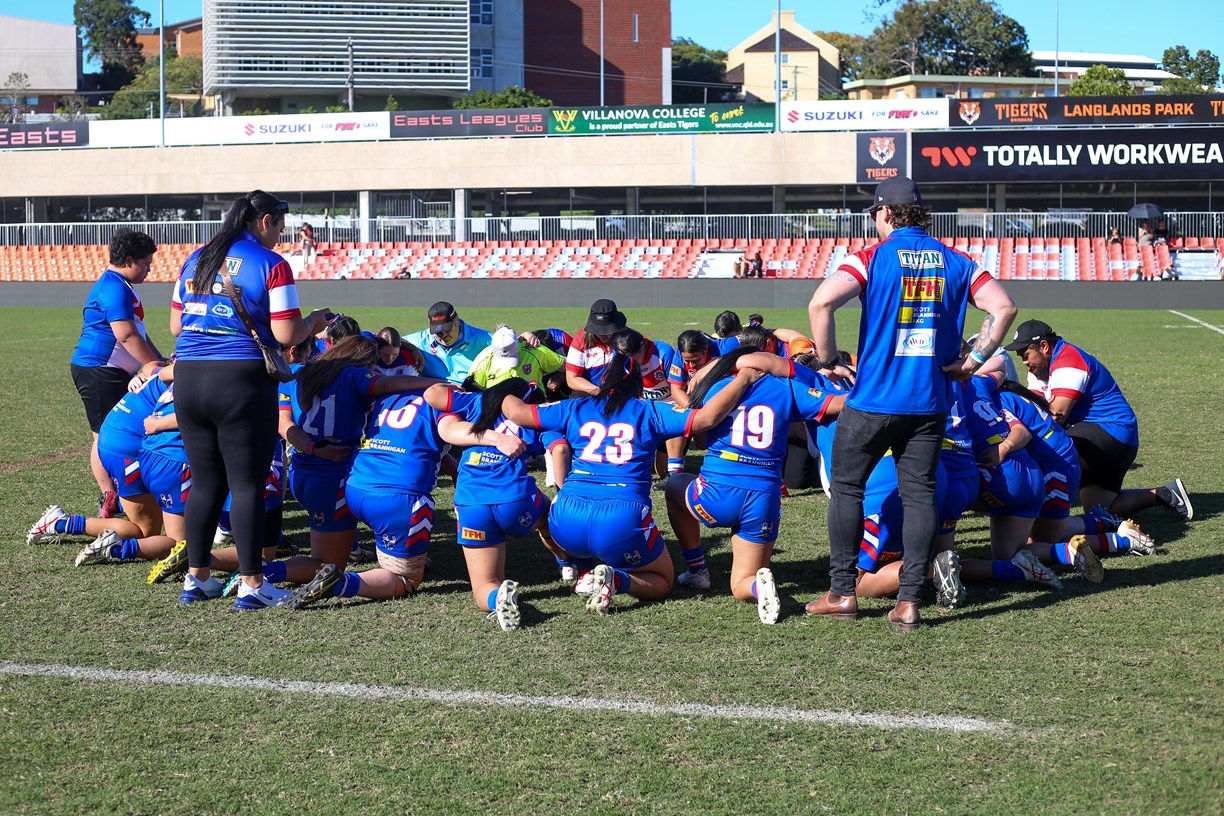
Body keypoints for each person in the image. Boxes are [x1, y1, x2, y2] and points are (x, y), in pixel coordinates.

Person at [805, 175, 1018, 632]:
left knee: (847, 489)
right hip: (930, 404)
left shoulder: (871, 257)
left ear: (883, 213)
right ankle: (908, 602)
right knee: (920, 495)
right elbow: (1004, 308)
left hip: (873, 401)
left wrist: (827, 361)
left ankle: (842, 592)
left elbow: (821, 304)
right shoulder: (958, 260)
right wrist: (975, 359)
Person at [170, 190, 331, 609]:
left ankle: (197, 578)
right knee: (246, 484)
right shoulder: (272, 264)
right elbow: (286, 334)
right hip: (239, 378)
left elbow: (174, 324)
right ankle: (252, 583)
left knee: (205, 482)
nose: (280, 234)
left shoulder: (196, 258)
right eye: (279, 225)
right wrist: (314, 322)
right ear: (264, 221)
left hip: (187, 376)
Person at [502, 354, 758, 614]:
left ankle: (582, 570)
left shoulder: (574, 408)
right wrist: (744, 379)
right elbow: (706, 418)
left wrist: (503, 390)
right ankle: (617, 580)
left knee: (567, 523)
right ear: (638, 385)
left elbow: (514, 411)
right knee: (661, 582)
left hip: (567, 518)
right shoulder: (650, 410)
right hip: (620, 516)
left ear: (601, 381)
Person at [665, 347, 844, 624]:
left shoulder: (720, 386)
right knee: (740, 583)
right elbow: (835, 404)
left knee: (675, 486)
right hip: (764, 496)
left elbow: (700, 439)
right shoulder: (787, 388)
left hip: (715, 494)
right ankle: (756, 586)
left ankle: (698, 570)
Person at [1004, 318, 1191, 521]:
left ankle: (1033, 513)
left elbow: (1056, 415)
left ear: (1044, 346)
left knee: (1045, 445)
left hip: (1112, 434)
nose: (1023, 362)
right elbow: (1034, 410)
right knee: (1100, 511)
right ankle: (1166, 495)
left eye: (1025, 354)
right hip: (1102, 436)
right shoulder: (1039, 368)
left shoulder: (1068, 361)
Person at [70, 229, 165, 519]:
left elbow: (137, 332)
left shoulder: (121, 285)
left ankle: (122, 491)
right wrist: (150, 365)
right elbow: (124, 334)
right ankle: (109, 497)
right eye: (146, 263)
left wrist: (156, 359)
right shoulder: (113, 286)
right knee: (104, 436)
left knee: (115, 432)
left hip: (111, 370)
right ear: (128, 260)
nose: (149, 269)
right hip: (99, 370)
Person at [405, 301, 493, 385]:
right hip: (433, 393)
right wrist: (411, 347)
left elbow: (505, 342)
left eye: (447, 330)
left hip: (469, 394)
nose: (443, 336)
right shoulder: (420, 341)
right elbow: (393, 339)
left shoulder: (484, 339)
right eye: (437, 332)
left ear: (457, 321)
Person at [465, 325, 565, 391]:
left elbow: (571, 366)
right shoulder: (482, 361)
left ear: (518, 343)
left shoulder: (534, 350)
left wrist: (561, 377)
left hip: (533, 408)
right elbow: (473, 393)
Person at [565, 298, 628, 396]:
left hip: (620, 391)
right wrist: (598, 391)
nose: (603, 334)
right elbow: (572, 379)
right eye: (598, 331)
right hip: (589, 392)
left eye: (607, 330)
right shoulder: (580, 341)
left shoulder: (627, 337)